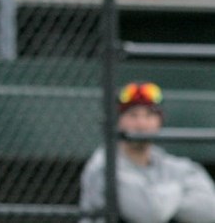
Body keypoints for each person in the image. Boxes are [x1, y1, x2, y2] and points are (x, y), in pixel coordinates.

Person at [80, 81, 215, 223]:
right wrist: (178, 189)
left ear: (159, 121)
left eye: (149, 115)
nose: (141, 123)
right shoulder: (104, 164)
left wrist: (157, 196)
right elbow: (150, 214)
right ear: (118, 121)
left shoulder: (172, 165)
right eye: (133, 115)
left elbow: (210, 211)